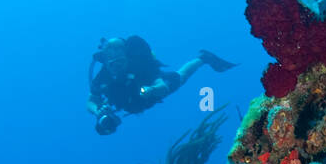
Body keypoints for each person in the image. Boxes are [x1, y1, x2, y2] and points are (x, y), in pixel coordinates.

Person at [86, 36, 236, 135]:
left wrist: (151, 90)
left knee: (181, 77)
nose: (116, 67)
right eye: (111, 63)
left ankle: (203, 59)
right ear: (105, 62)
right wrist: (97, 111)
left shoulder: (140, 67)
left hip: (151, 95)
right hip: (130, 103)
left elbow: (162, 87)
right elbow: (91, 100)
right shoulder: (102, 76)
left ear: (126, 57)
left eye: (120, 62)